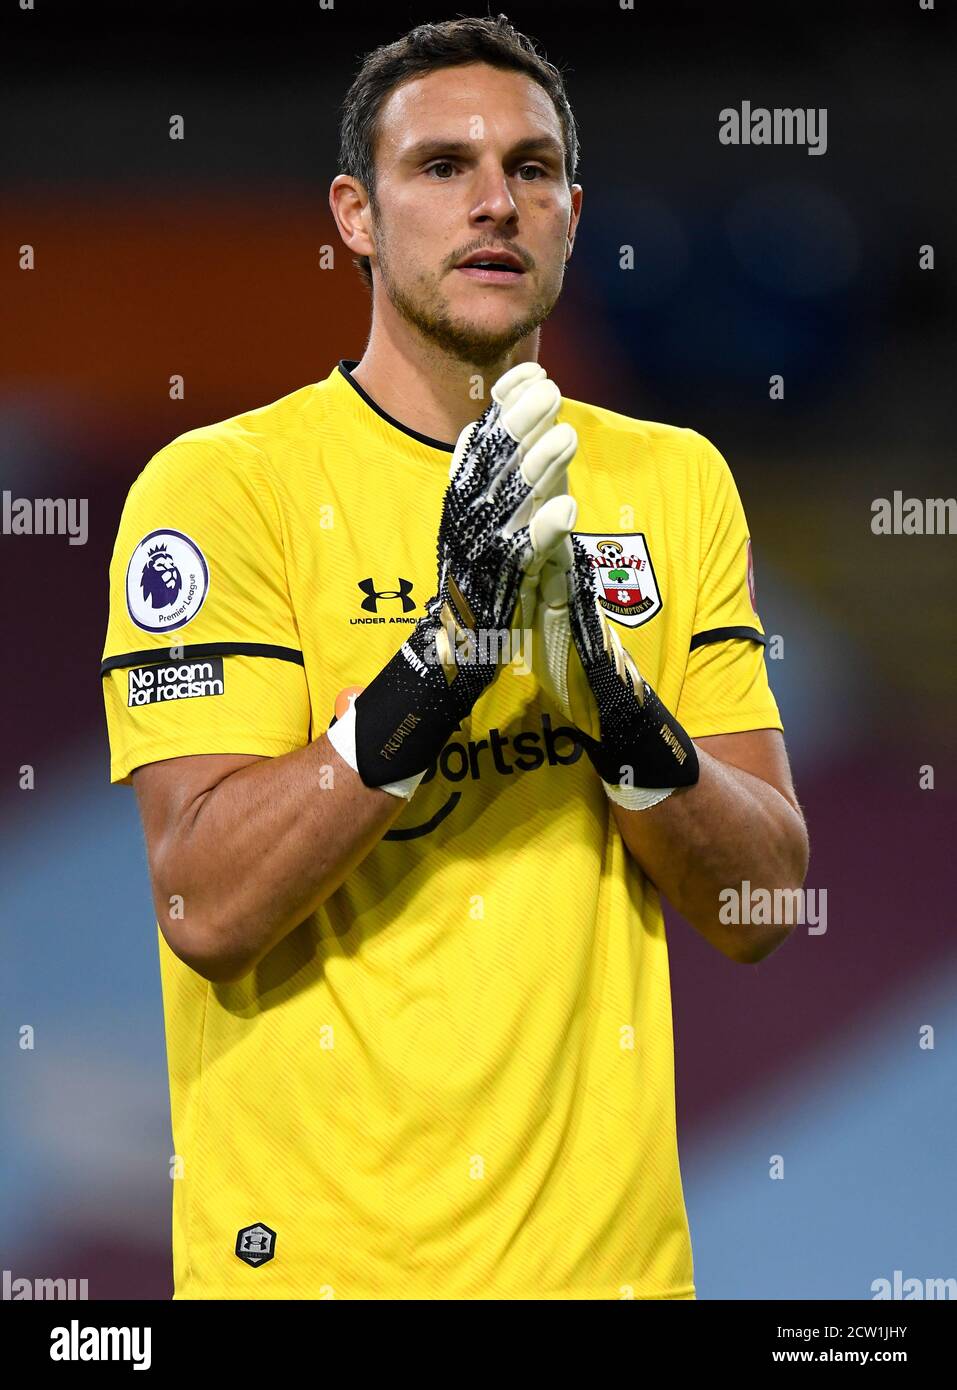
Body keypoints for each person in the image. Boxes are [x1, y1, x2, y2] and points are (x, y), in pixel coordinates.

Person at [100, 13, 808, 1300]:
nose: (496, 200)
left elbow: (761, 902)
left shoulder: (673, 479)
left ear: (574, 212)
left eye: (532, 169)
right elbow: (206, 906)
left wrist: (613, 702)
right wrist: (448, 655)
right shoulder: (219, 491)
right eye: (443, 167)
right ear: (355, 215)